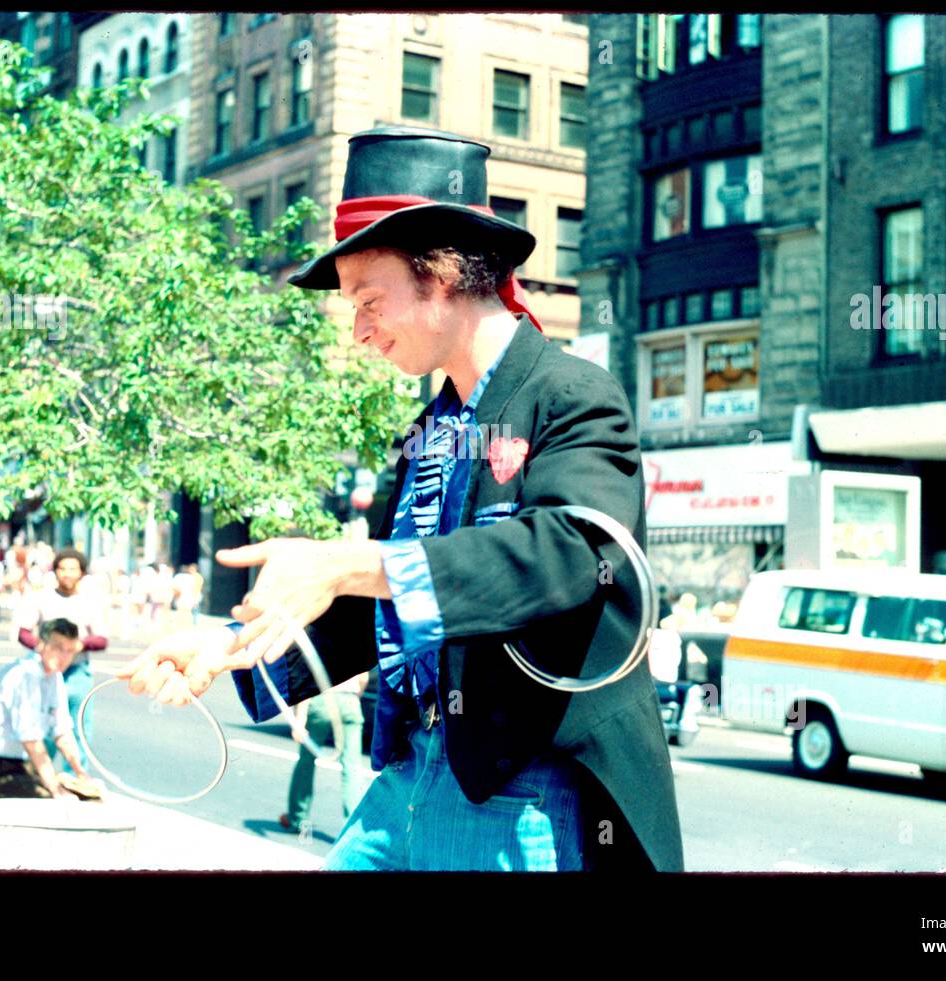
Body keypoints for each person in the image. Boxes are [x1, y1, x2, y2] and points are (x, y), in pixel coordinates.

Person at [119, 127, 684, 872]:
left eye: (368, 299)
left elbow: (572, 557)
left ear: (443, 272)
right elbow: (379, 607)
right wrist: (226, 646)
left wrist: (350, 563)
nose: (357, 330)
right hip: (404, 781)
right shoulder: (431, 429)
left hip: (515, 795)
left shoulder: (573, 395)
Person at [0, 618, 92, 798]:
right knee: (50, 797)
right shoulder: (23, 674)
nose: (63, 656)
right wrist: (54, 789)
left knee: (82, 794)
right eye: (58, 647)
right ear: (41, 644)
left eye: (70, 651)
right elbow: (31, 739)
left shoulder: (55, 677)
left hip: (20, 764)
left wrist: (81, 774)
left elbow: (63, 731)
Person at [11, 547, 108, 772]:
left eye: (73, 569)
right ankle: (38, 773)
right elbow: (23, 631)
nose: (67, 574)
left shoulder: (89, 602)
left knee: (78, 727)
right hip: (46, 670)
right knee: (42, 724)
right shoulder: (42, 598)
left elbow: (101, 639)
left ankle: (75, 776)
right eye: (62, 568)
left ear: (82, 573)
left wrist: (78, 645)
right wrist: (43, 648)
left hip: (76, 671)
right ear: (55, 571)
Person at [279, 671, 370, 838]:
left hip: (322, 699)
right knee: (352, 767)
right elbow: (364, 677)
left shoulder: (319, 642)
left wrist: (300, 719)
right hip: (349, 700)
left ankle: (297, 818)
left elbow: (306, 675)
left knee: (306, 761)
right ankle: (352, 828)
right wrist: (354, 697)